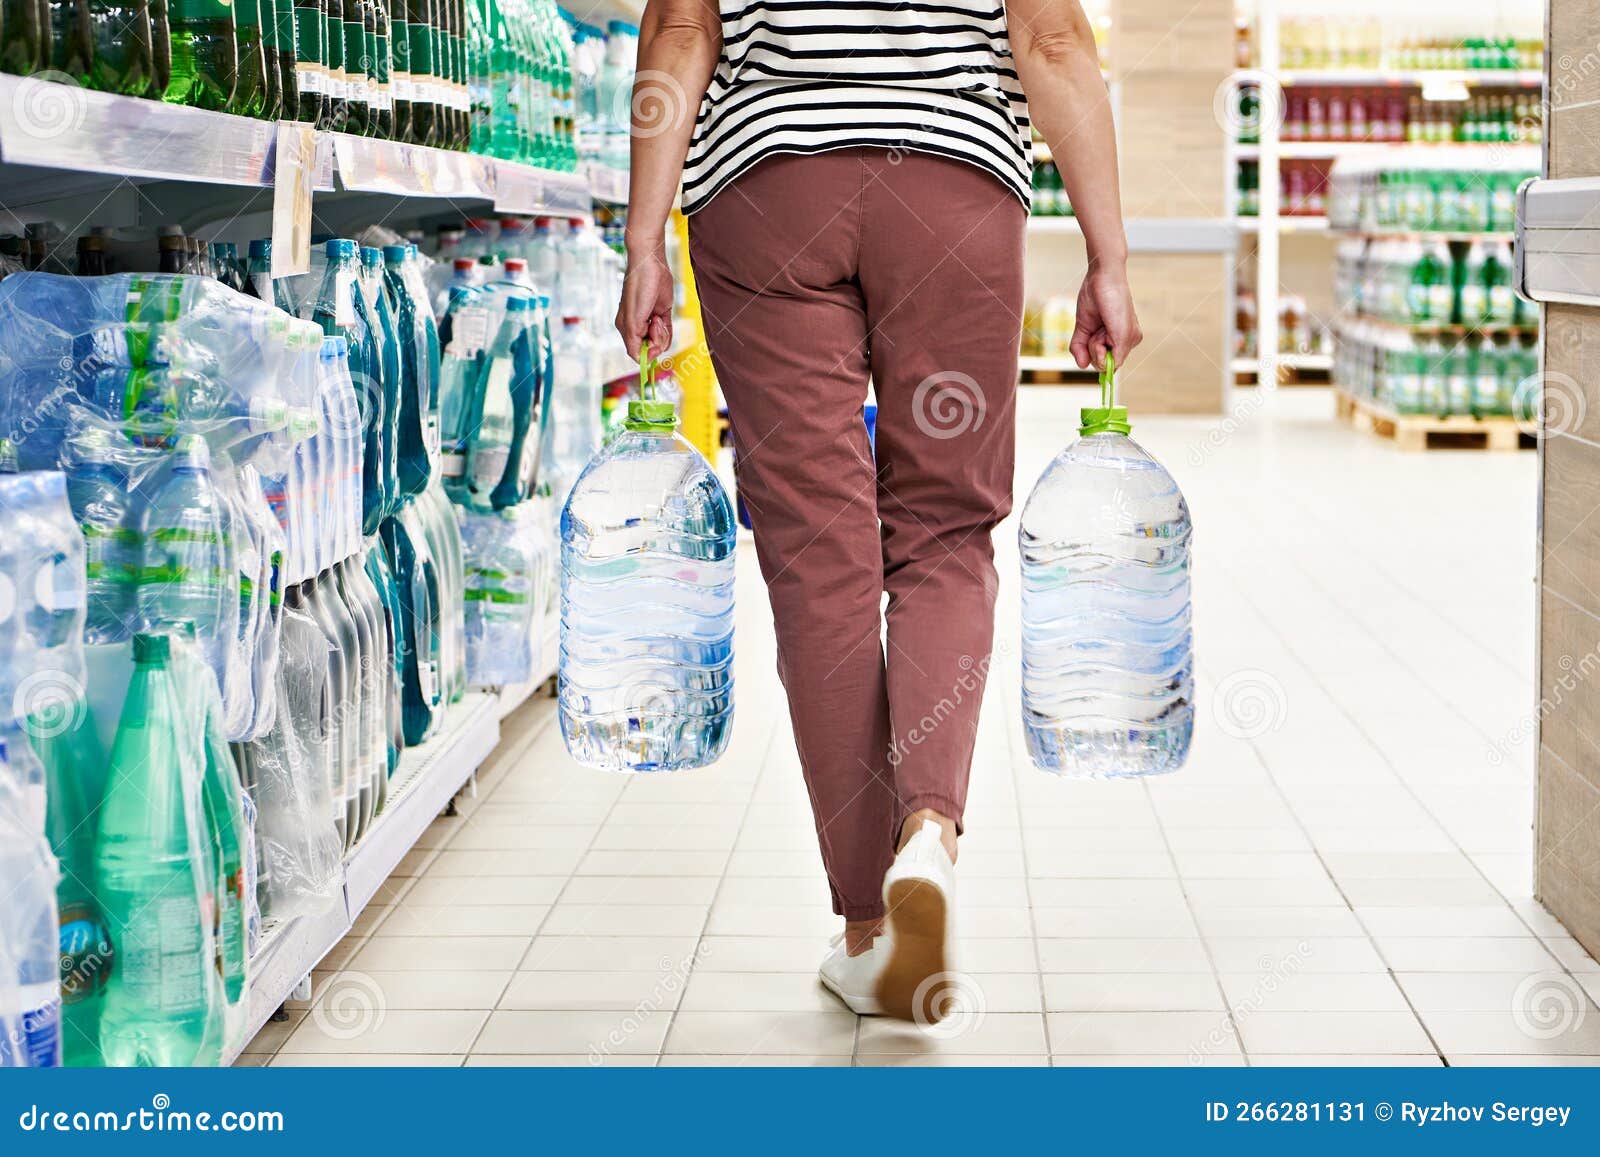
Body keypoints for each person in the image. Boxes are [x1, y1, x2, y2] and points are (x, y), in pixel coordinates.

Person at [616, 0, 1142, 1023]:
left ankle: (865, 925)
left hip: (766, 190)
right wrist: (1108, 253)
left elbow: (680, 32)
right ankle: (928, 836)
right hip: (951, 184)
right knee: (945, 532)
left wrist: (645, 243)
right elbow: (1052, 40)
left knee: (820, 557)